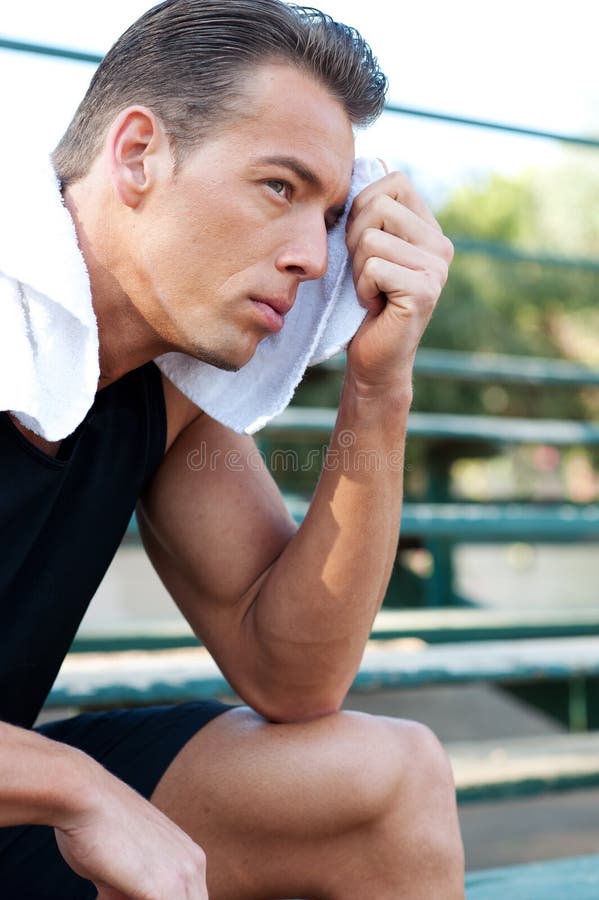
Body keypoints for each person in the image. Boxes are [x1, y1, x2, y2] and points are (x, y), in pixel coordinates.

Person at [0, 0, 463, 897]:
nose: (314, 260)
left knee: (385, 780)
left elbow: (292, 676)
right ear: (137, 154)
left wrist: (378, 387)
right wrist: (79, 788)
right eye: (279, 187)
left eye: (328, 215)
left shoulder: (165, 394)